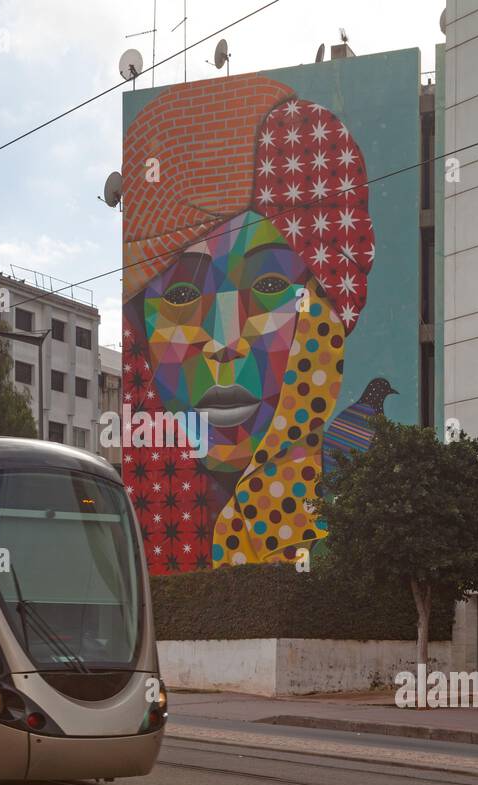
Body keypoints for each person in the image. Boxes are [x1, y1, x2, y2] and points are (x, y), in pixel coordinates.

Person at [122, 76, 377, 572]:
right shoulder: (142, 556)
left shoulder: (360, 524)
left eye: (267, 288)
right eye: (180, 296)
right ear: (140, 332)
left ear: (322, 321)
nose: (224, 341)